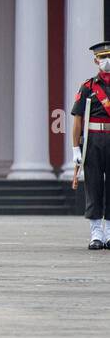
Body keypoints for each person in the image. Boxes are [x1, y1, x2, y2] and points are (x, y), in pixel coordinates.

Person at [71, 40, 110, 249]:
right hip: (94, 139)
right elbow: (78, 119)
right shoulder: (88, 87)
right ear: (96, 60)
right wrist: (75, 148)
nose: (107, 60)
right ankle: (96, 233)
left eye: (109, 57)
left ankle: (109, 232)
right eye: (103, 57)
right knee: (93, 185)